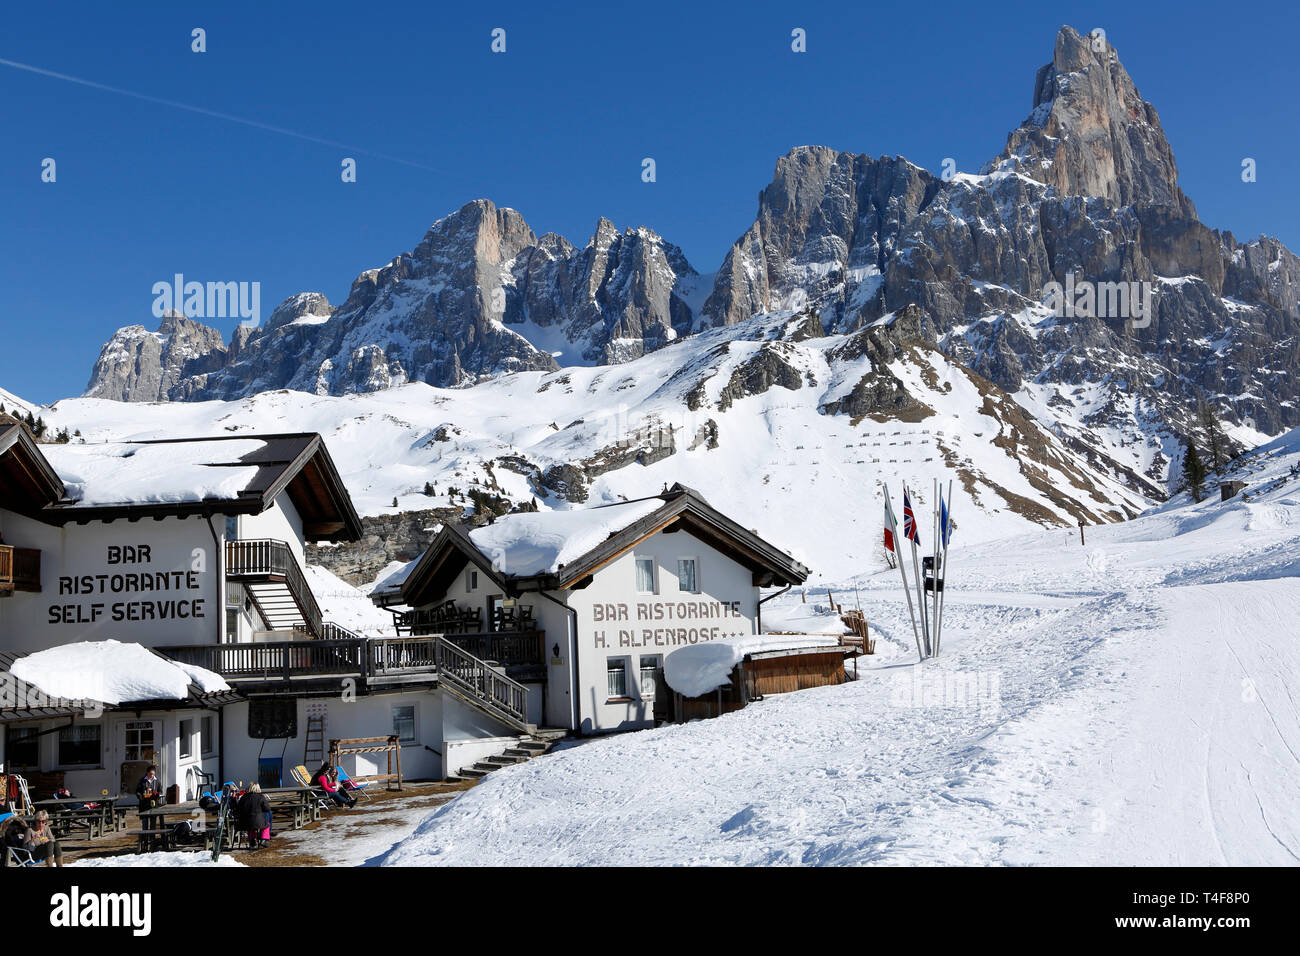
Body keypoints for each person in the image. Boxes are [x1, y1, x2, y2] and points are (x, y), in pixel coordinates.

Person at [235, 782, 272, 850]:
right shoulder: (260, 797)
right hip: (258, 821)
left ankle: (252, 840)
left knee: (251, 827)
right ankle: (263, 839)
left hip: (244, 822)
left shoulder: (243, 797)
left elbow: (238, 809)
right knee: (266, 825)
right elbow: (267, 808)